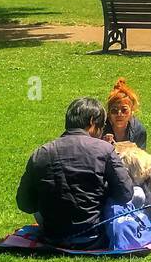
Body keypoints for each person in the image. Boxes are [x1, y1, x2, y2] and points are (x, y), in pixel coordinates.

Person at [16, 97, 137, 245]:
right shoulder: (104, 149)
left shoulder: (41, 153)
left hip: (52, 237)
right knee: (139, 194)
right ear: (92, 122)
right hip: (93, 236)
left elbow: (25, 203)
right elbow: (126, 194)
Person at [103, 77, 148, 148]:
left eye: (124, 110)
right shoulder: (100, 129)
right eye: (114, 110)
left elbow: (141, 156)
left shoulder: (138, 130)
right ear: (108, 113)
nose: (119, 114)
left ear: (132, 111)